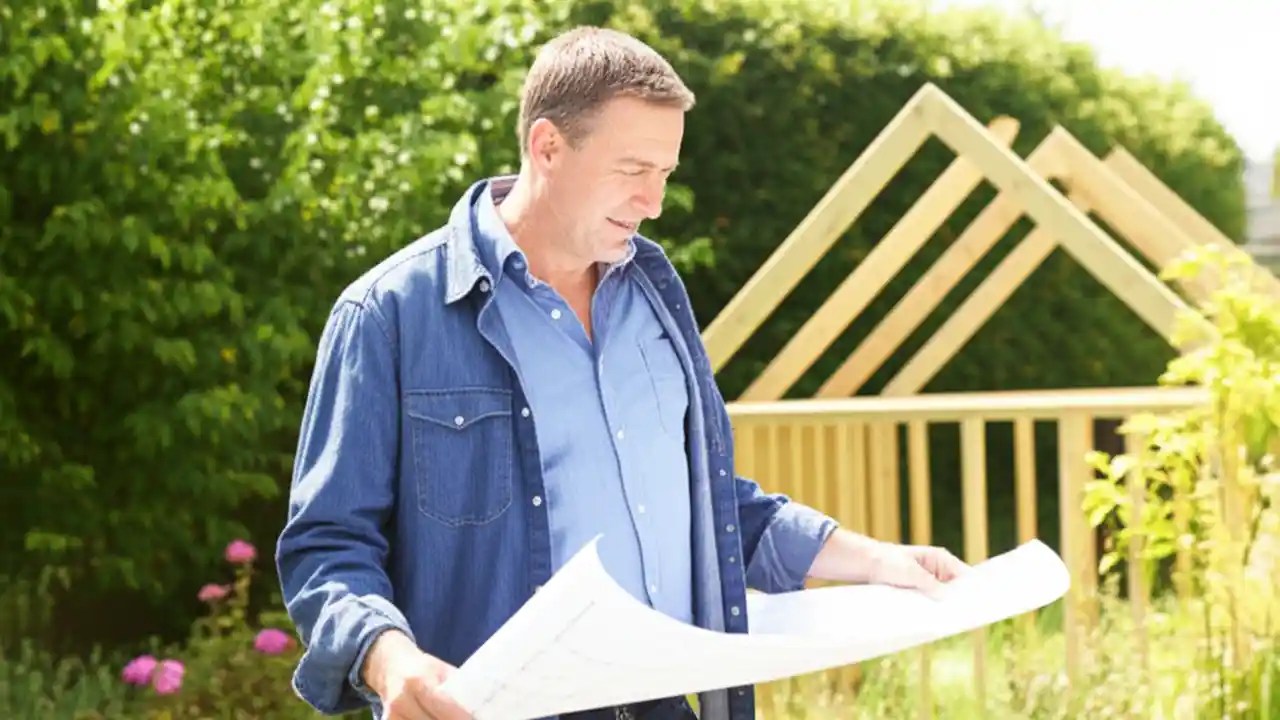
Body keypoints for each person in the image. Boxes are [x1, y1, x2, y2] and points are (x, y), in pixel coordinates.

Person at [276, 25, 969, 720]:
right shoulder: (390, 313)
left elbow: (706, 501)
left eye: (664, 174)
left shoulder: (654, 296)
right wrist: (392, 659)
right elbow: (327, 545)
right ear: (547, 146)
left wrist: (877, 562)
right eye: (633, 170)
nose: (654, 202)